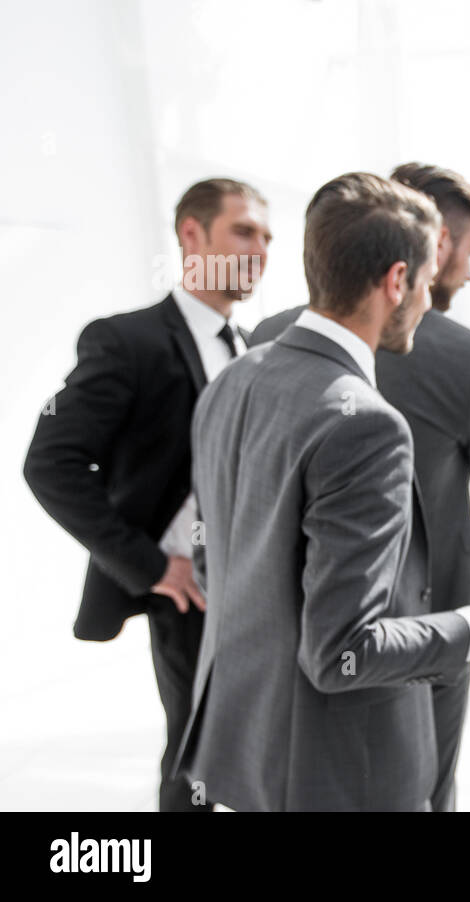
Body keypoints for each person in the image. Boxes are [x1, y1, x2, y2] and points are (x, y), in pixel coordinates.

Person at [173, 172, 470, 811]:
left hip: (245, 752)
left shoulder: (231, 380)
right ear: (397, 281)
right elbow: (343, 650)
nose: (430, 304)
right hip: (343, 773)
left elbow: (219, 567)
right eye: (429, 283)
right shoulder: (368, 425)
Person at [24, 178, 271, 811]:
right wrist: (151, 565)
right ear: (192, 235)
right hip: (185, 592)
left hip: (251, 583)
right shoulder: (125, 341)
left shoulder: (253, 351)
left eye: (267, 237)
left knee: (249, 752)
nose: (261, 249)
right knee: (194, 762)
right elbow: (50, 463)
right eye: (244, 231)